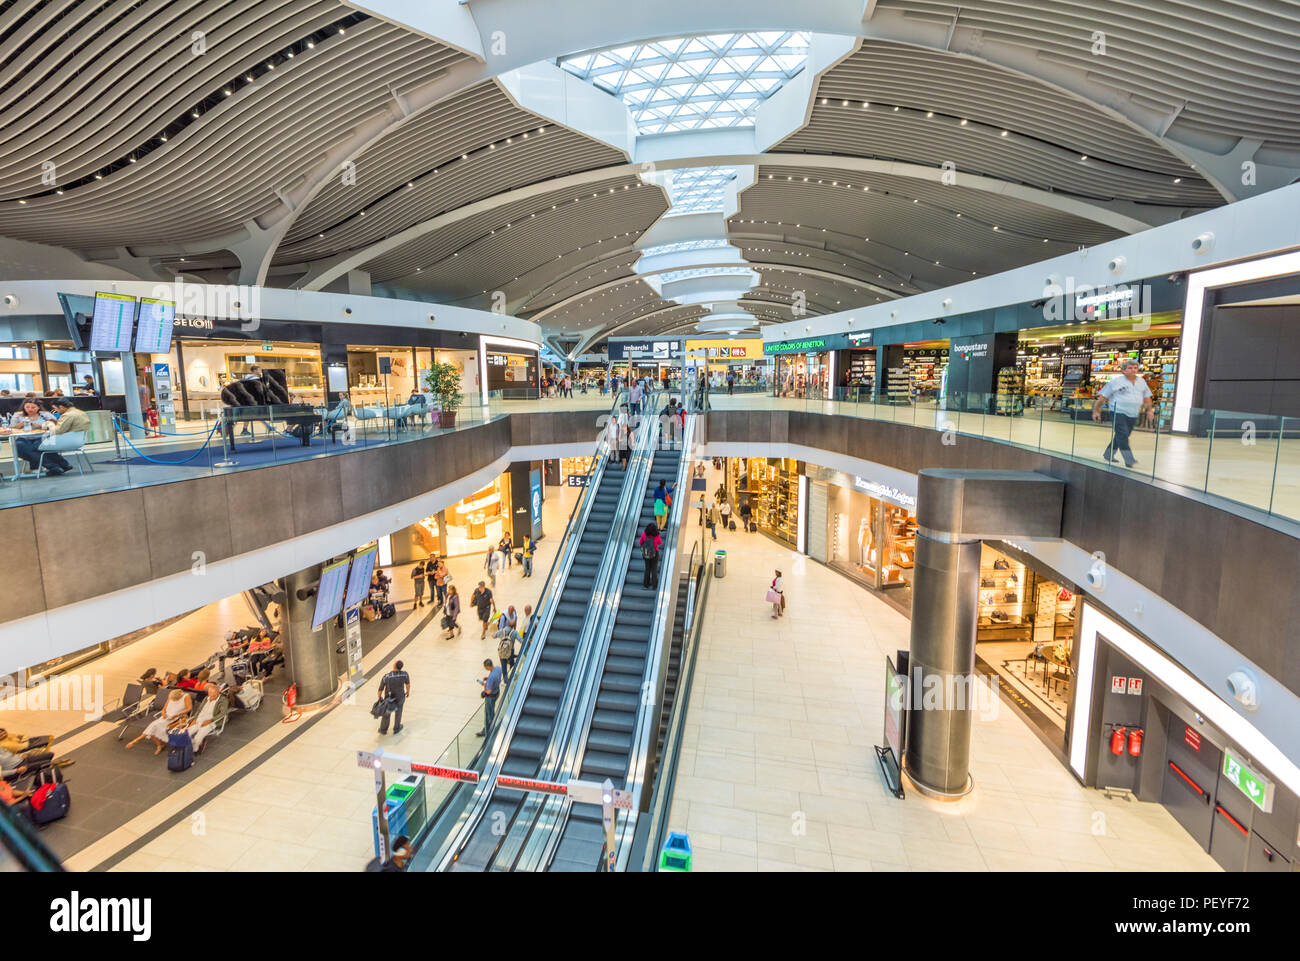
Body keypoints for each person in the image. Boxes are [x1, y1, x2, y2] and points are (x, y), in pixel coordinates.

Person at [1092, 358, 1153, 468]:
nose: (1133, 370)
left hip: (1133, 413)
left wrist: (1149, 410)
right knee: (1123, 435)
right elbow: (1102, 398)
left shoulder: (1142, 382)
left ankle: (1108, 453)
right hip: (1117, 412)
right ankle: (1129, 459)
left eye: (1135, 368)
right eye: (1130, 368)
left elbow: (1147, 397)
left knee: (1122, 435)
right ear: (1123, 370)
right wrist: (1096, 411)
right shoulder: (1115, 382)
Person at [127, 687, 192, 754]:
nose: (172, 700)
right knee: (153, 728)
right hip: (166, 717)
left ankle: (136, 740)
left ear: (178, 697)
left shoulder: (186, 696)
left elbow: (189, 708)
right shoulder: (171, 696)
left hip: (178, 718)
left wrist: (178, 714)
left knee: (153, 727)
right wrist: (163, 713)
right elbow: (164, 709)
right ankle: (159, 745)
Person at [187, 683, 224, 753]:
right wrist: (195, 719)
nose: (211, 695)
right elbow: (199, 710)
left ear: (218, 693)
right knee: (187, 733)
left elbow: (223, 713)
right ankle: (192, 746)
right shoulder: (206, 699)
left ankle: (193, 750)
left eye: (213, 693)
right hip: (199, 719)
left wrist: (210, 720)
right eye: (210, 693)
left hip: (211, 721)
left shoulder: (222, 700)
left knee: (198, 737)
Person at [377, 660, 410, 735]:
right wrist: (408, 692)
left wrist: (379, 697)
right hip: (400, 696)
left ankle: (383, 729)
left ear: (394, 666)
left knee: (387, 713)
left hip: (389, 698)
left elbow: (380, 689)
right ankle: (396, 728)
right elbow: (407, 684)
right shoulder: (405, 674)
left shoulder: (386, 676)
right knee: (399, 712)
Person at [477, 658, 502, 736]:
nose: (485, 668)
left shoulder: (491, 677)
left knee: (489, 713)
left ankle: (489, 732)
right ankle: (489, 729)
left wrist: (484, 686)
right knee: (490, 712)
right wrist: (487, 679)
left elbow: (488, 691)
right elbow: (497, 679)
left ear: (488, 666)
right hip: (497, 692)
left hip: (490, 697)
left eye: (485, 667)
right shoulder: (498, 668)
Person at [638, 521, 662, 590]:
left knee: (647, 569)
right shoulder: (656, 535)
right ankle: (654, 586)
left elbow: (640, 542)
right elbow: (660, 542)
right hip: (655, 553)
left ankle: (646, 585)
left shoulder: (644, 534)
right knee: (654, 569)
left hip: (646, 554)